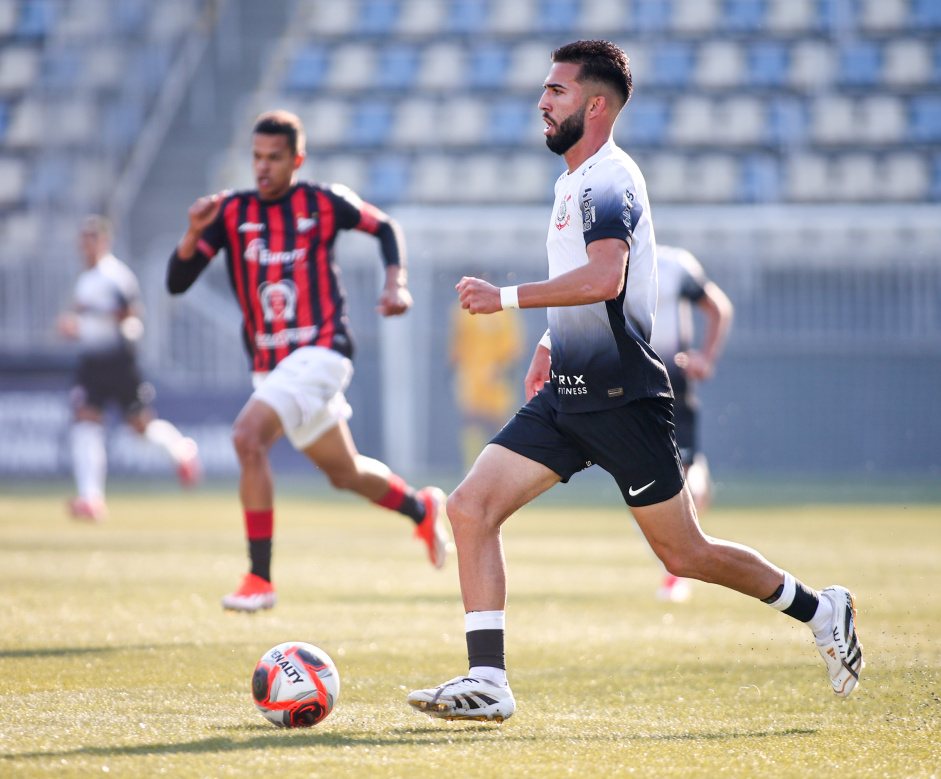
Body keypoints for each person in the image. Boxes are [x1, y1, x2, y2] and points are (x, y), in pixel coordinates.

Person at [407, 40, 862, 723]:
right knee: (470, 507)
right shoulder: (572, 180)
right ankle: (488, 680)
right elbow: (590, 292)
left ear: (593, 104)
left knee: (684, 551)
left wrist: (501, 299)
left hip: (622, 396)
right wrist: (545, 343)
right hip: (567, 393)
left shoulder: (607, 178)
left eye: (555, 91)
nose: (541, 101)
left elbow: (604, 278)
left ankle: (820, 607)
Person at [166, 110, 450, 613]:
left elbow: (384, 226)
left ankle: (259, 578)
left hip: (322, 352)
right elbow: (177, 282)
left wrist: (394, 282)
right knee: (345, 473)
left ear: (296, 159)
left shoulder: (323, 201)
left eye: (274, 158)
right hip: (272, 367)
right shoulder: (230, 213)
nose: (263, 167)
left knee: (246, 437)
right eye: (256, 157)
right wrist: (191, 234)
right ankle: (421, 507)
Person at [57, 215, 202, 522]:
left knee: (140, 427)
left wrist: (88, 318)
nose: (86, 246)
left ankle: (181, 452)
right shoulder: (85, 279)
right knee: (85, 422)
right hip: (92, 362)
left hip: (120, 360)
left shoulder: (115, 276)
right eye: (83, 239)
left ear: (104, 242)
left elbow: (131, 312)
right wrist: (76, 328)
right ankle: (91, 499)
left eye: (92, 238)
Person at [649, 245, 734, 603]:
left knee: (684, 486)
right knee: (648, 482)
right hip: (624, 390)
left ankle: (676, 571)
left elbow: (718, 308)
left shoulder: (673, 264)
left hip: (671, 390)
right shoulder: (603, 261)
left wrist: (705, 357)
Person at [449, 298, 524, 471]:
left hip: (497, 375)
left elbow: (514, 346)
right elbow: (456, 343)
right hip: (470, 375)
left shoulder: (505, 311)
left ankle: (502, 468)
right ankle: (472, 469)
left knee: (499, 422)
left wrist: (505, 369)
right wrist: (453, 368)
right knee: (471, 421)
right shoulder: (461, 311)